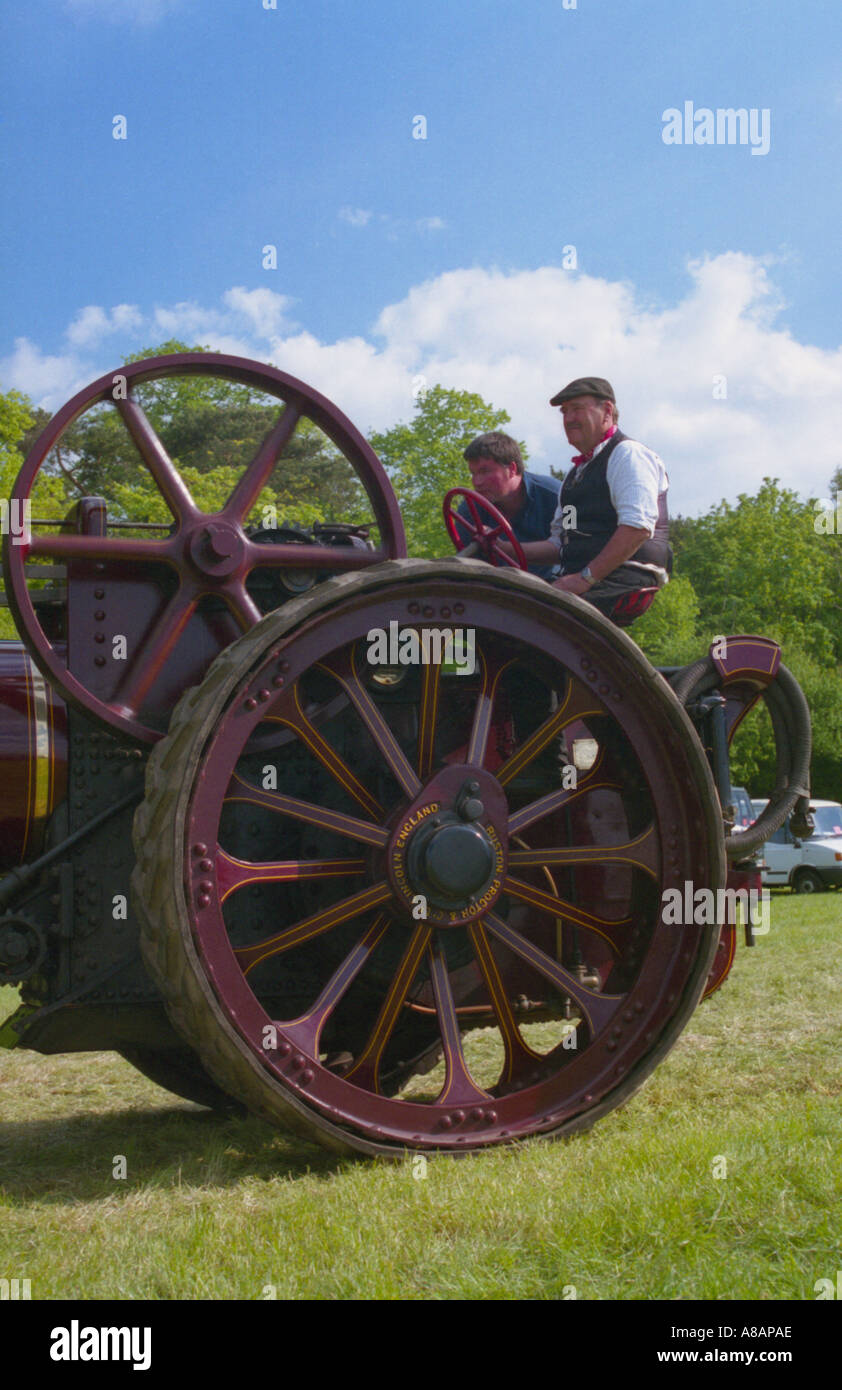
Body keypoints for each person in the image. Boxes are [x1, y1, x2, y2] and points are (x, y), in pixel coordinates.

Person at [511, 377, 671, 620]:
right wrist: (507, 549)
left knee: (530, 618)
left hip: (622, 578)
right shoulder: (575, 478)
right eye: (564, 412)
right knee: (508, 597)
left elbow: (637, 527)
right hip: (587, 577)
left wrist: (584, 578)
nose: (568, 419)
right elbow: (561, 543)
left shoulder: (627, 455)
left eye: (577, 409)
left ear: (607, 411)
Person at [458, 432, 561, 580]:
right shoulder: (469, 512)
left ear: (512, 469)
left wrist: (502, 547)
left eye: (484, 471)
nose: (477, 482)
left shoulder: (559, 497)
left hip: (558, 589)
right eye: (473, 473)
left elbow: (573, 547)